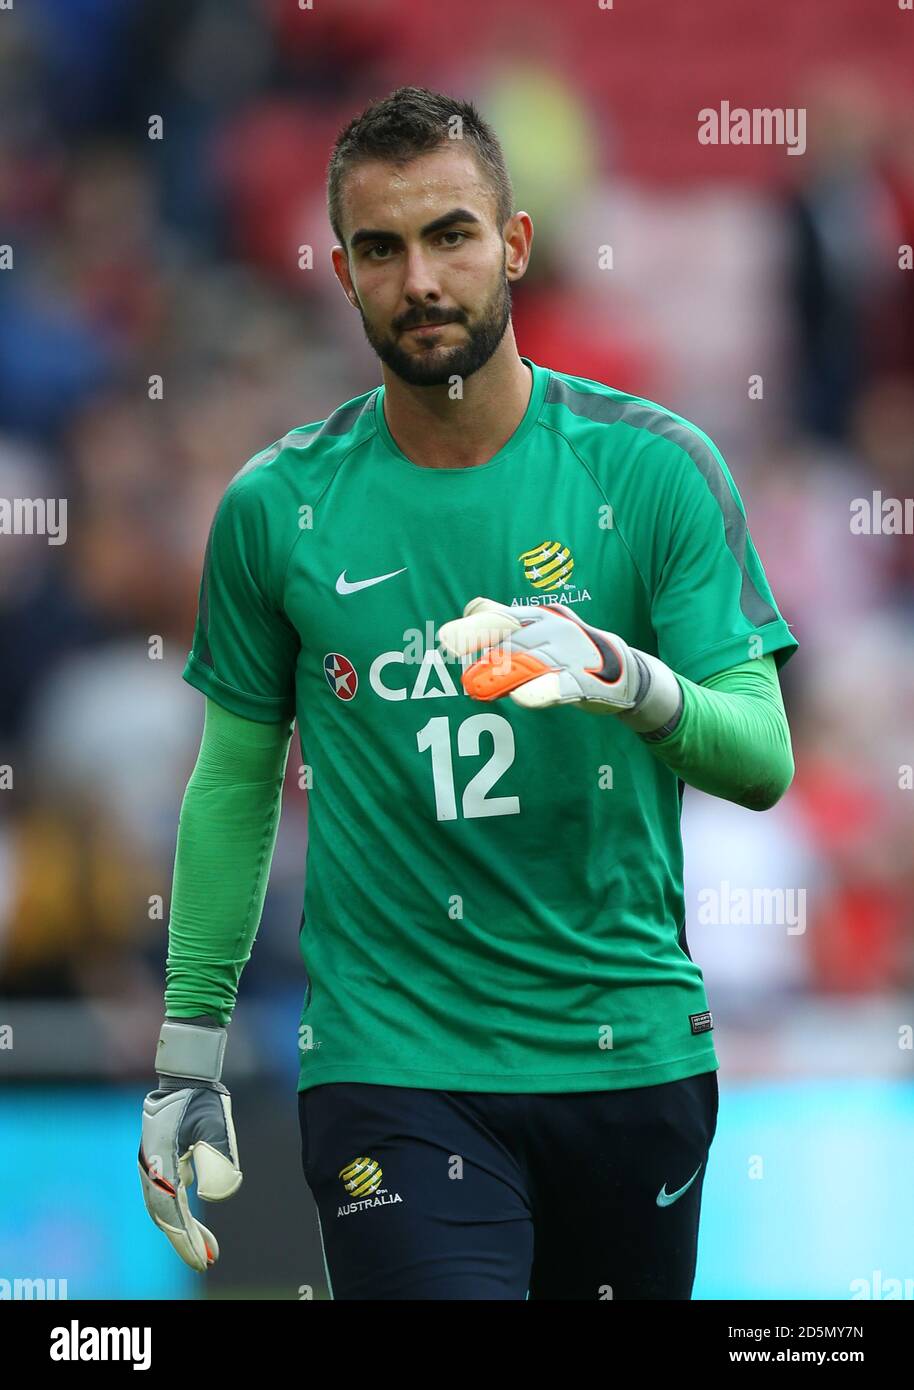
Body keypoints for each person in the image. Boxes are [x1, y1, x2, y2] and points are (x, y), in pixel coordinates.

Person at [139, 86, 798, 1300]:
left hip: (624, 1052)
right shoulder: (275, 510)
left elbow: (759, 758)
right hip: (392, 1064)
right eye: (381, 250)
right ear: (341, 271)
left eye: (450, 235)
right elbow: (232, 783)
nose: (420, 279)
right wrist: (187, 1057)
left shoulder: (652, 471)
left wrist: (624, 678)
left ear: (514, 245)